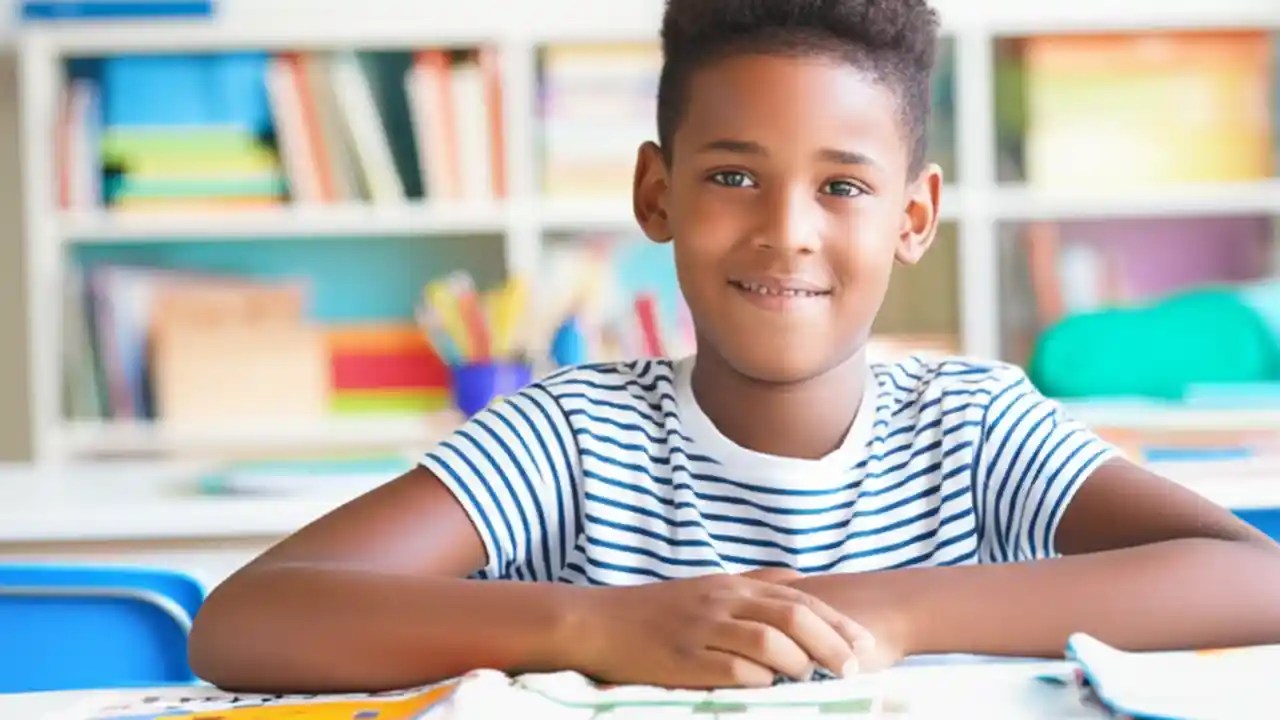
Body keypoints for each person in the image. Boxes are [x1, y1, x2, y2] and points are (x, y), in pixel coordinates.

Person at [188, 0, 1280, 693]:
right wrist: (595, 626)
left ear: (910, 216)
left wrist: (886, 609)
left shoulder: (974, 423)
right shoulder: (570, 436)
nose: (785, 228)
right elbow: (242, 622)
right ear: (655, 195)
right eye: (729, 175)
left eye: (842, 185)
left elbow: (1254, 578)